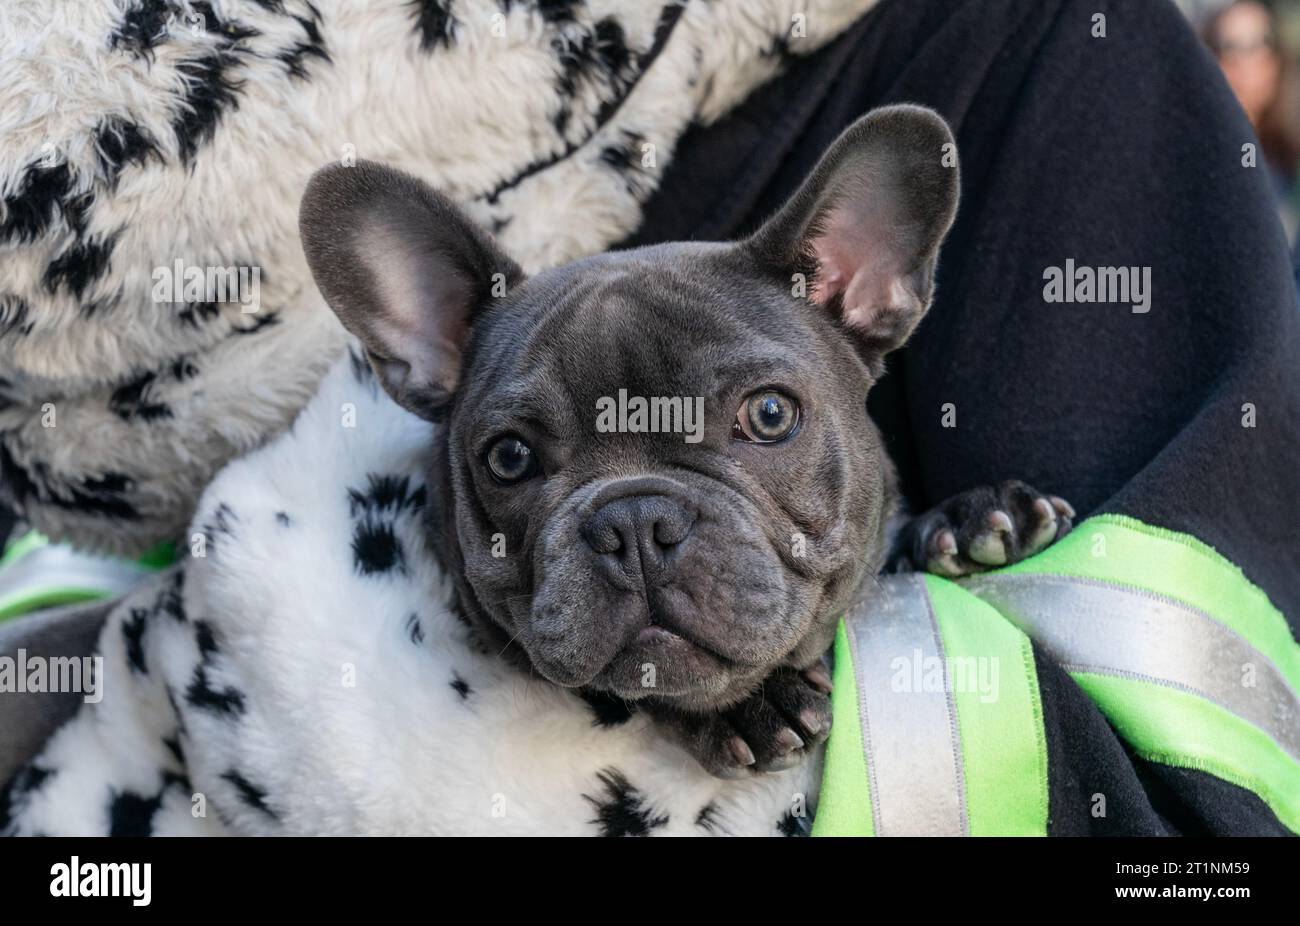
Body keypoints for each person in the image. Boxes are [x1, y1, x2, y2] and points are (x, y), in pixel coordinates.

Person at [2, 0, 1298, 835]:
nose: (637, 536)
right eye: (519, 457)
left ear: (868, 292)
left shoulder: (1026, 49)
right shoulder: (97, 346)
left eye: (761, 417)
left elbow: (1197, 793)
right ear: (421, 354)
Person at [1202, 0, 1300, 238]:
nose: (1244, 62)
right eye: (1229, 46)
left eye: (1260, 43)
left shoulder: (1288, 158)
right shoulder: (1195, 157)